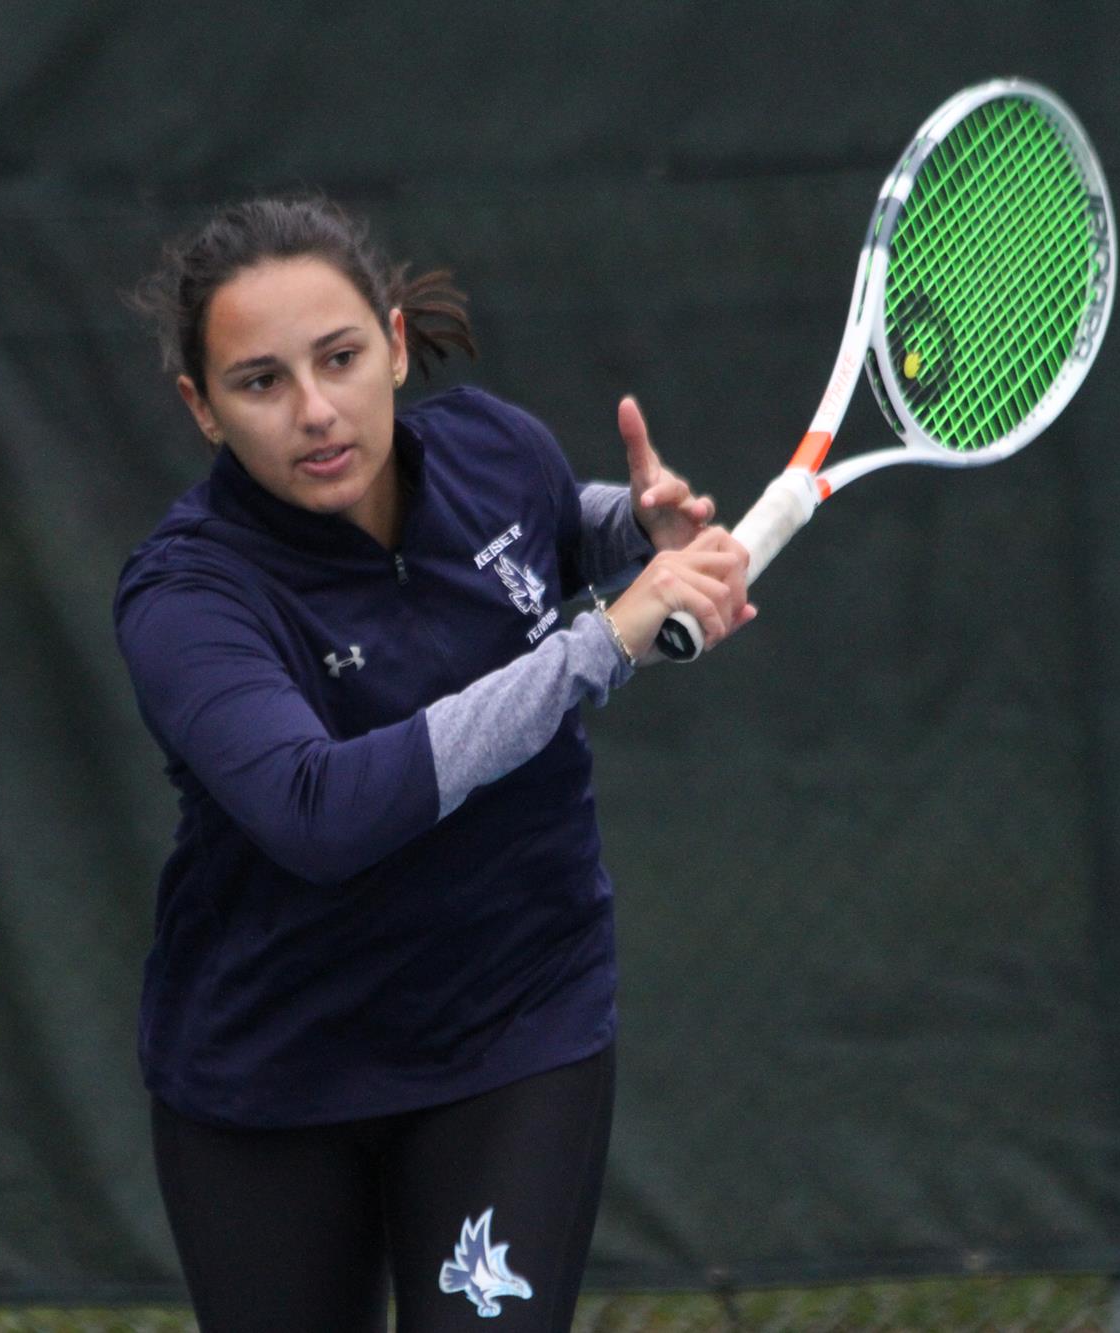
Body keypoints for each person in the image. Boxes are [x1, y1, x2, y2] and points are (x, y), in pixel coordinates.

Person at [115, 194, 753, 1332]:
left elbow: (545, 527)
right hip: (272, 1078)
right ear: (200, 410)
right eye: (260, 382)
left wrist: (636, 536)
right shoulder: (185, 599)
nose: (315, 411)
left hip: (513, 1031)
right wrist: (599, 643)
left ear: (396, 345)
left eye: (340, 357)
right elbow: (317, 810)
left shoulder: (494, 445)